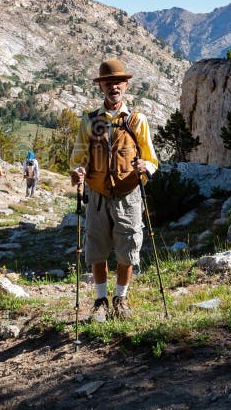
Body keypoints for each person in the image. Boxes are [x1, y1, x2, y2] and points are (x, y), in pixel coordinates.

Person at [69, 59, 158, 321]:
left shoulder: (136, 120)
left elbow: (152, 159)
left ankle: (120, 298)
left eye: (118, 82)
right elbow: (78, 156)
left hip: (128, 193)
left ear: (126, 85)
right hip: (96, 195)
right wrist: (77, 171)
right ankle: (100, 301)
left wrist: (146, 167)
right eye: (108, 83)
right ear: (101, 88)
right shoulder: (90, 121)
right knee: (96, 248)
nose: (113, 87)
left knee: (128, 246)